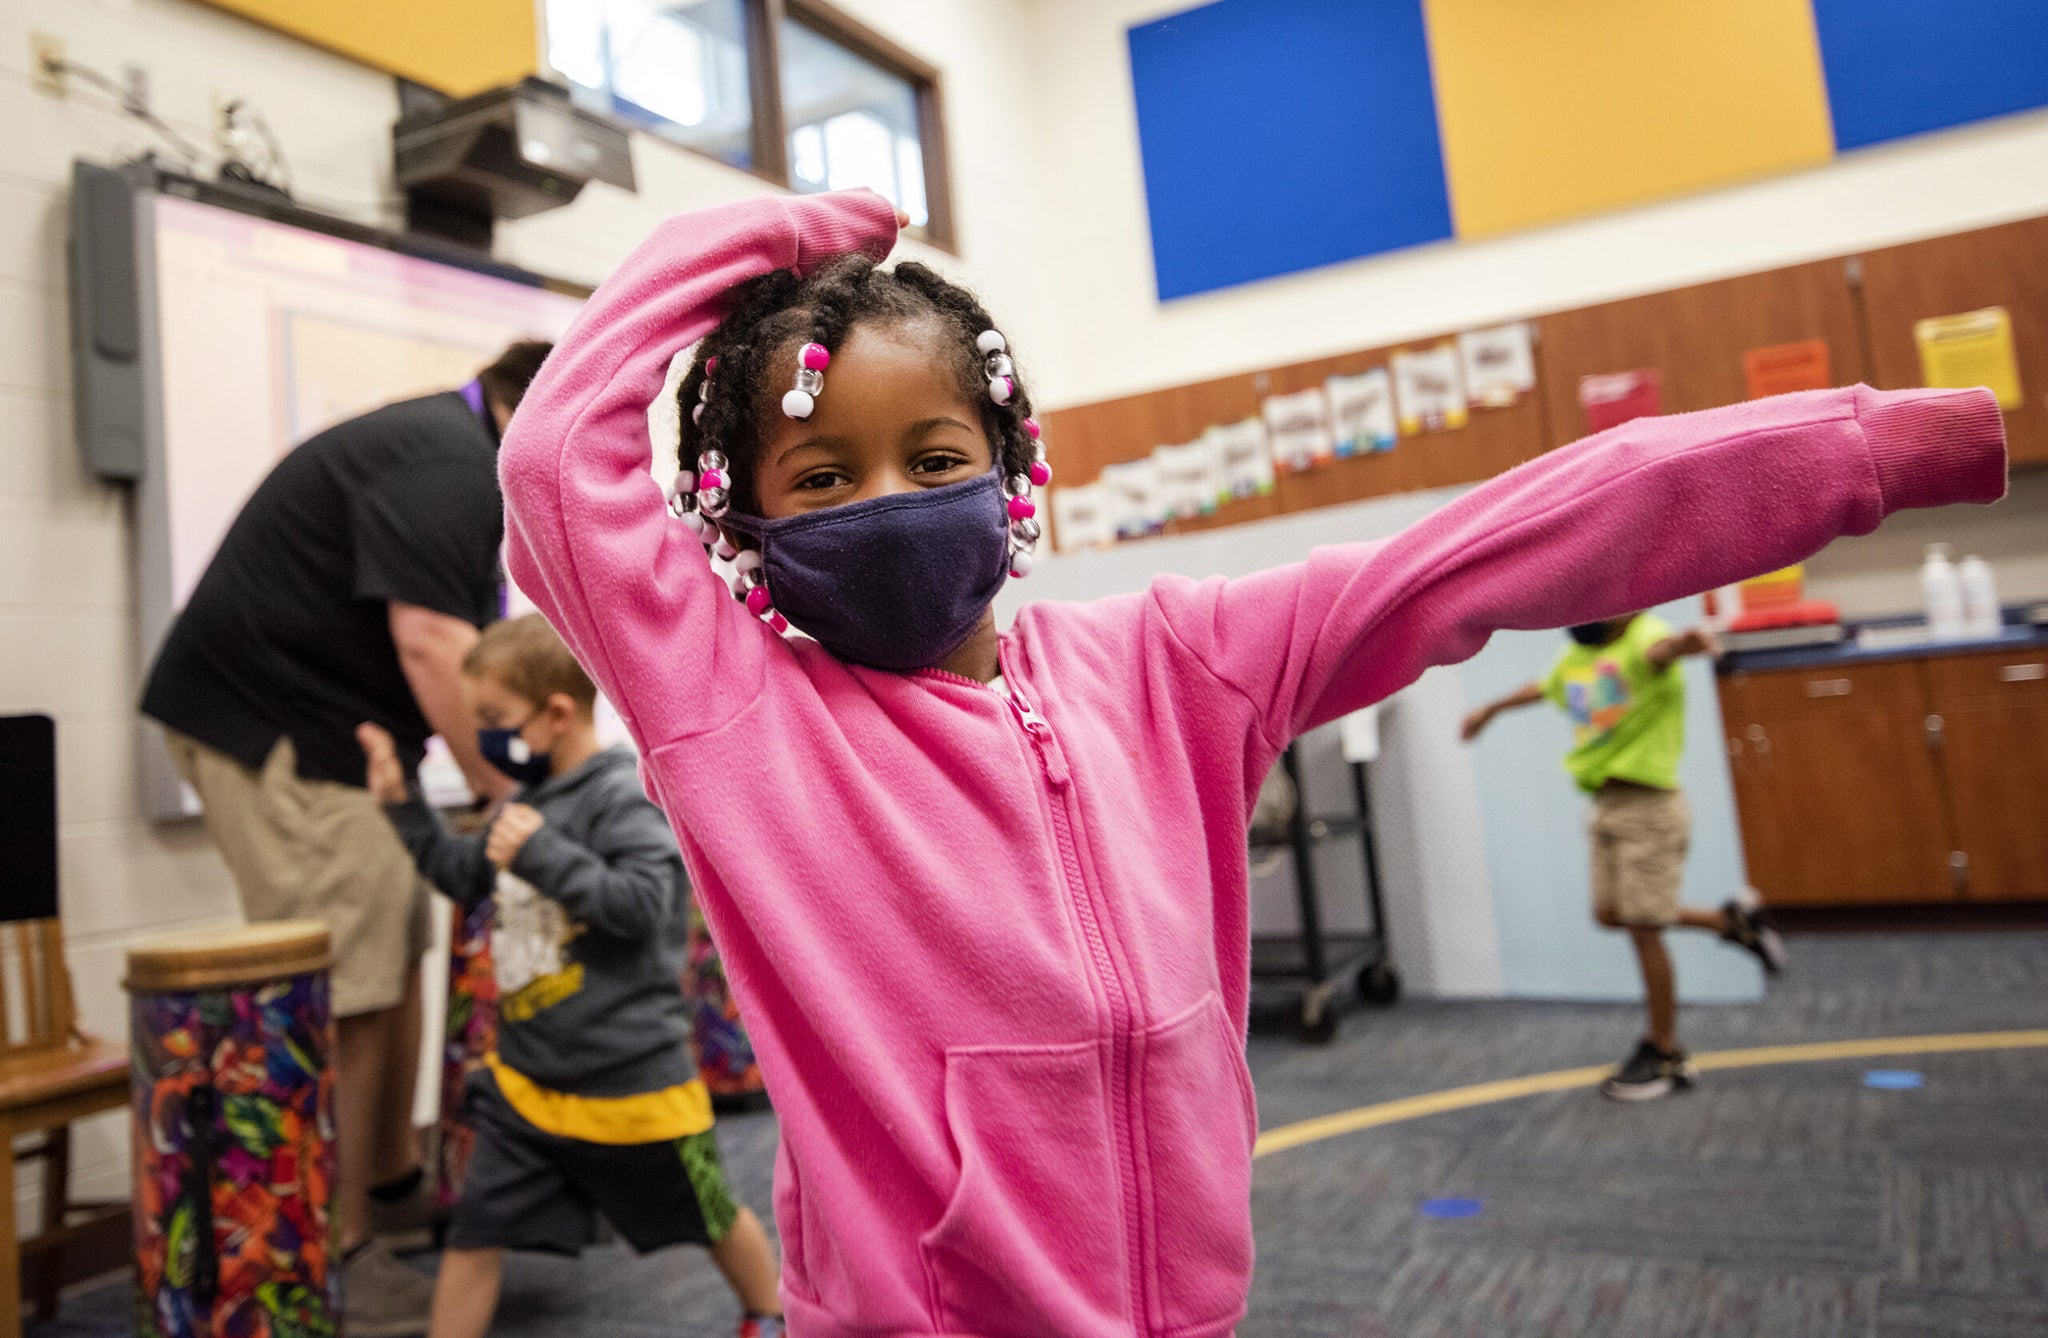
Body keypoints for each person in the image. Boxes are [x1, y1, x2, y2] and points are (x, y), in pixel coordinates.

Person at [496, 188, 2006, 1334]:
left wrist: (1873, 451)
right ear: (748, 528)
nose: (887, 501)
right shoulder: (739, 715)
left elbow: (1498, 546)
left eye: (933, 459)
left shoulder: (1177, 660)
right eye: (824, 476)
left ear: (1010, 472)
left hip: (1192, 1301)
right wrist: (789, 240)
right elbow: (555, 456)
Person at [139, 341, 552, 1335]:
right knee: (347, 989)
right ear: (535, 414)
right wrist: (510, 797)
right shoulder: (449, 465)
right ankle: (334, 1249)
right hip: (278, 725)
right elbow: (434, 643)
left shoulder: (454, 453)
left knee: (390, 948)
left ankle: (390, 1184)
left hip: (335, 733)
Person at [357, 613, 783, 1338]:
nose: (483, 738)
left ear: (557, 714)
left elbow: (647, 906)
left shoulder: (621, 795)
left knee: (710, 1213)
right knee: (475, 1234)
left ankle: (770, 1315)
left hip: (633, 1087)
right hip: (528, 1087)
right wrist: (403, 805)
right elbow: (460, 873)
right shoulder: (526, 803)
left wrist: (543, 856)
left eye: (495, 722)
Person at [1462, 613, 1787, 1100]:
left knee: (1643, 926)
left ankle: (1666, 1054)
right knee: (1610, 913)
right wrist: (1490, 709)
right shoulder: (1578, 656)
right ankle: (1730, 922)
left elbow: (1661, 651)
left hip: (1650, 810)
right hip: (1605, 807)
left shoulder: (1643, 636)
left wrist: (1686, 644)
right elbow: (1544, 686)